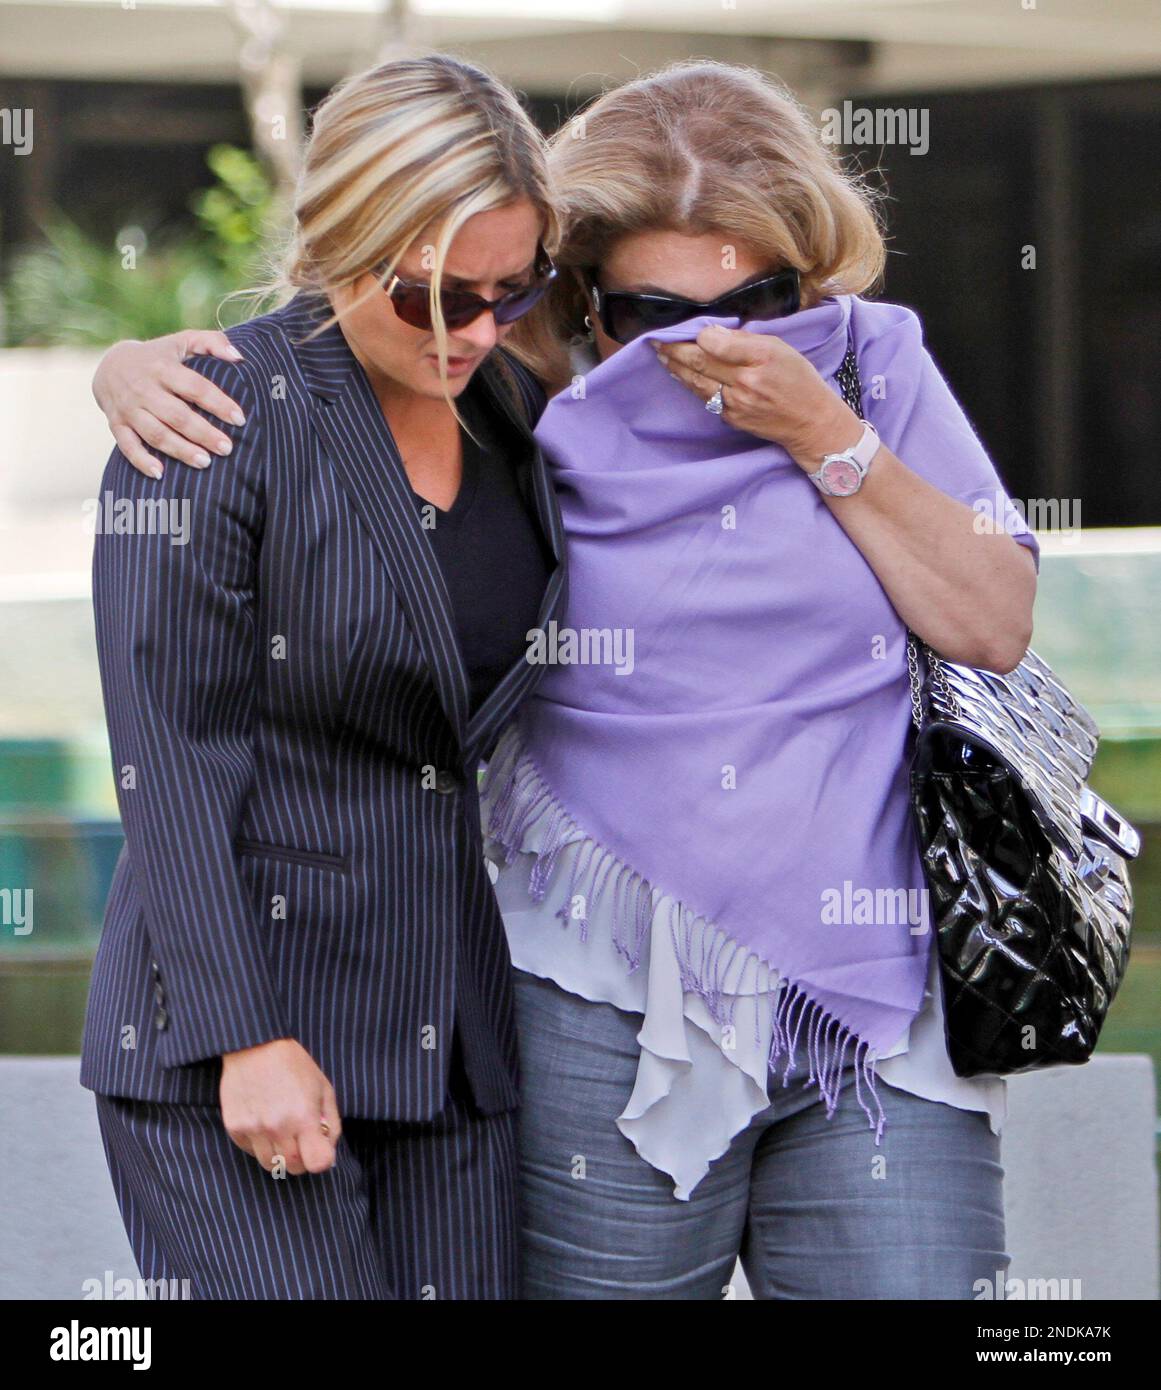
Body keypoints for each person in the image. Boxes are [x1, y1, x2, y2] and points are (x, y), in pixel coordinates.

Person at [90, 61, 1037, 1300]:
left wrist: (826, 436)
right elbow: (174, 747)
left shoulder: (774, 375)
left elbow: (991, 615)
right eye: (656, 312)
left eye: (760, 297)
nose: (713, 344)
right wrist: (131, 364)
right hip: (435, 991)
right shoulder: (364, 394)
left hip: (666, 1009)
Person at [81, 53, 565, 1300]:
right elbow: (169, 756)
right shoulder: (211, 418)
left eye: (514, 291)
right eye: (434, 298)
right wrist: (246, 1037)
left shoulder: (514, 409)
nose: (476, 331)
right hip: (233, 1037)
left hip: (449, 1043)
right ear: (339, 243)